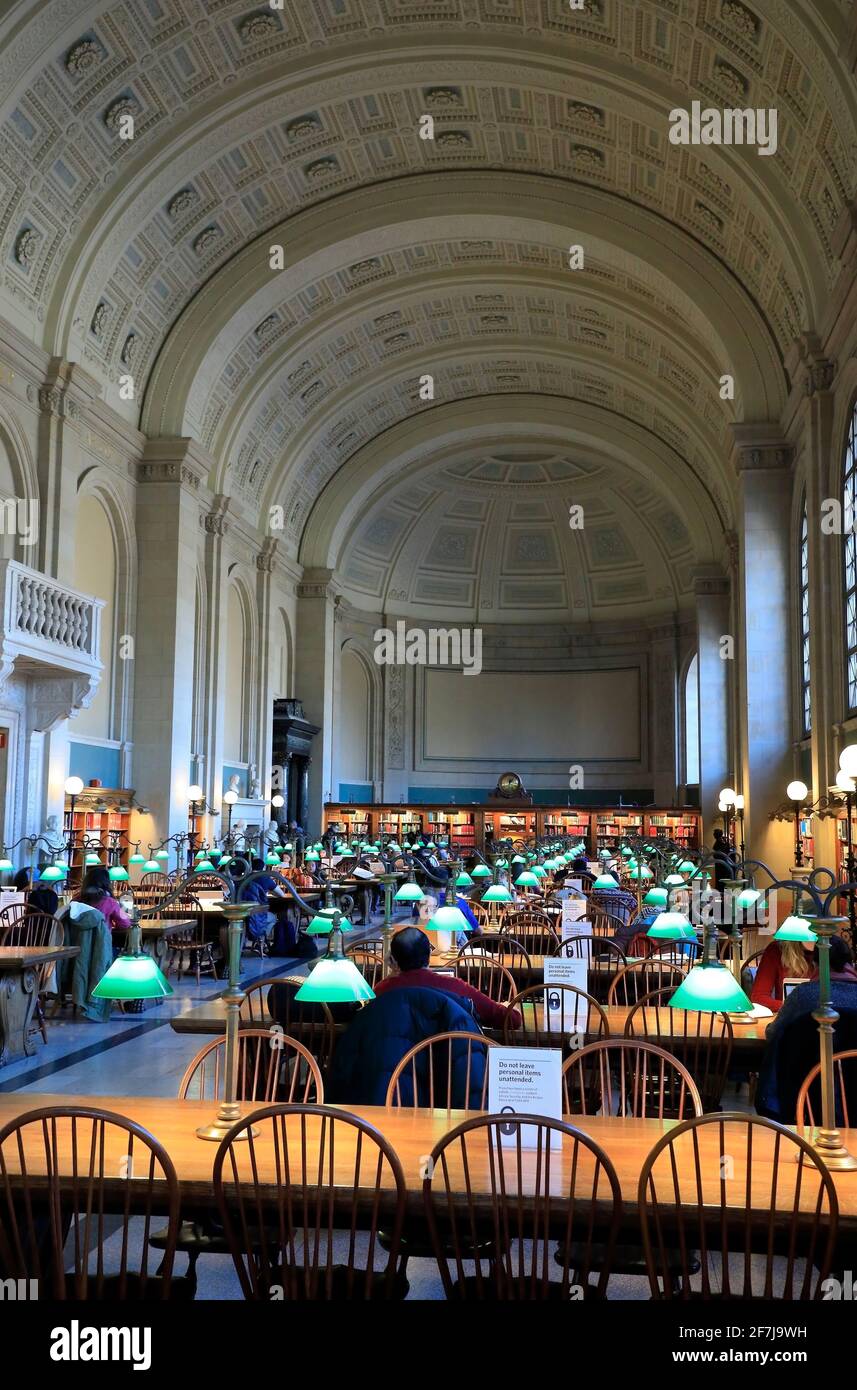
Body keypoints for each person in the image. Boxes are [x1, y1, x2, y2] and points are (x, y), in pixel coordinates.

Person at [756, 936, 857, 1122]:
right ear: (850, 962)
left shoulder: (802, 995)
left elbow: (772, 1033)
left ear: (816, 964)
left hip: (804, 1096)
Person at [374, 927, 520, 1029]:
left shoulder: (382, 990)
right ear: (429, 956)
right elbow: (511, 1020)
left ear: (393, 959)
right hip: (447, 1068)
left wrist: (393, 974)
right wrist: (513, 1008)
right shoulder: (454, 987)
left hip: (396, 1069)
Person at [750, 937, 814, 1012]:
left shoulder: (829, 951)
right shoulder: (777, 949)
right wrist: (793, 1007)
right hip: (789, 1018)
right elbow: (758, 998)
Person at [239, 856, 283, 954]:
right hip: (257, 915)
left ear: (251, 867)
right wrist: (270, 892)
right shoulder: (265, 878)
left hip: (241, 914)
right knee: (273, 918)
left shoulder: (243, 878)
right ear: (263, 868)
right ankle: (260, 942)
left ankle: (248, 941)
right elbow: (281, 894)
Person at [76, 866, 131, 933]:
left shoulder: (75, 901)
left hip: (76, 942)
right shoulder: (110, 902)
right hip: (102, 942)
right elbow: (125, 924)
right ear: (106, 883)